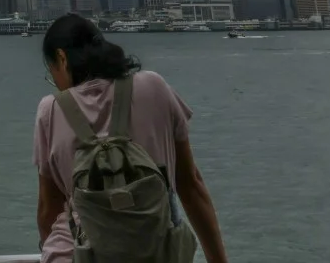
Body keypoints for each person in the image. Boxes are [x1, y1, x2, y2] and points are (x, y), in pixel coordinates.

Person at [34, 14, 228, 263]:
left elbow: (48, 209)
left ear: (61, 58)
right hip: (157, 252)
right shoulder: (154, 86)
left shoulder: (50, 110)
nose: (57, 85)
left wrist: (47, 248)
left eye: (53, 73)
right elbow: (190, 185)